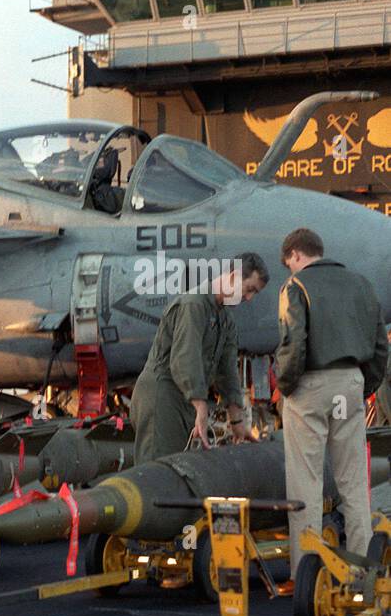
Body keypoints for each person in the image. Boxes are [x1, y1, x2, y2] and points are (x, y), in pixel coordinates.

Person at [276, 228, 388, 587]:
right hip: (349, 386)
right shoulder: (361, 284)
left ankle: (308, 575)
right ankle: (360, 571)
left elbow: (294, 343)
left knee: (305, 483)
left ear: (295, 255)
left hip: (310, 387)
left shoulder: (296, 287)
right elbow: (379, 346)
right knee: (354, 482)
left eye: (288, 264)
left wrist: (285, 386)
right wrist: (364, 386)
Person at [129, 253, 270, 464]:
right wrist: (201, 406)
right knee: (157, 472)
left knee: (178, 471)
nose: (248, 298)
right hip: (162, 396)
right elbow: (185, 359)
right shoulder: (194, 305)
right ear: (233, 276)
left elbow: (227, 371)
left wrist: (237, 420)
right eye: (249, 289)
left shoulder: (226, 319)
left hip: (185, 400)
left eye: (254, 293)